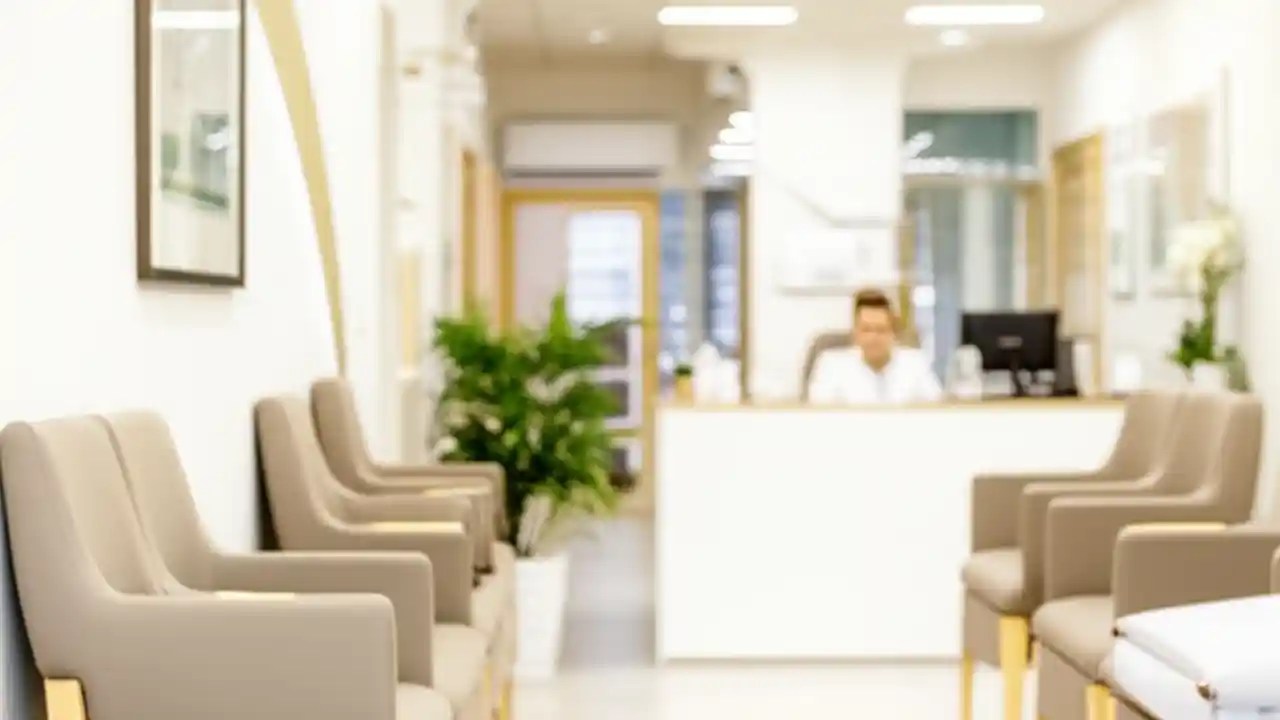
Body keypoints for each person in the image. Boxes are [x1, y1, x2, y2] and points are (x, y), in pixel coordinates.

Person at [807, 290, 943, 404]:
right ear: (855, 333)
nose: (874, 337)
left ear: (894, 333)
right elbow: (817, 416)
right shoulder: (832, 365)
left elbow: (938, 410)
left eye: (881, 329)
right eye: (866, 329)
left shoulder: (915, 363)